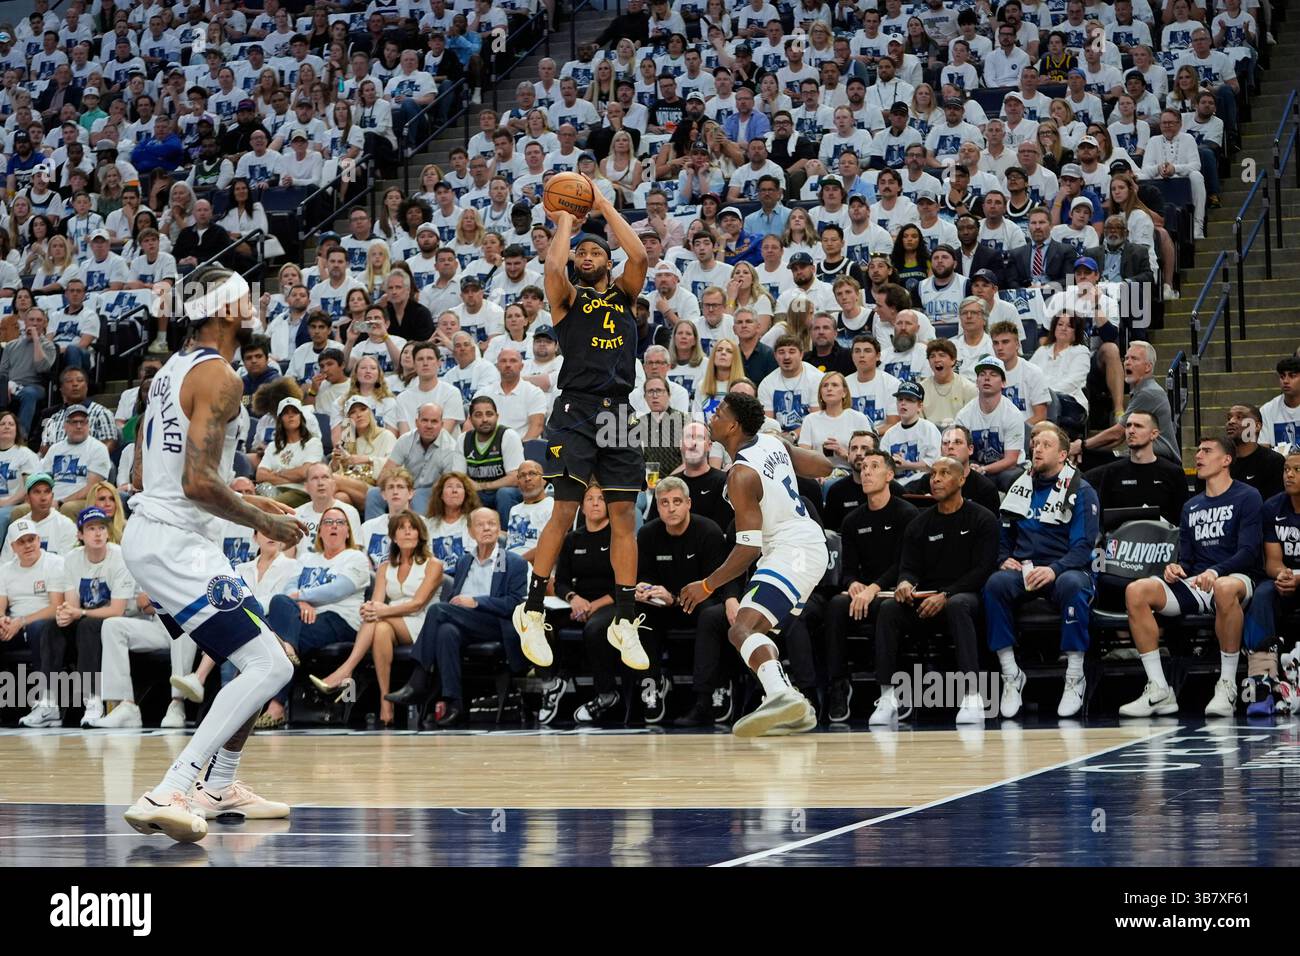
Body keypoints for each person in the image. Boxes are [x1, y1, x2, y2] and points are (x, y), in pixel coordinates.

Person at [119, 265, 307, 842]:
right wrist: (260, 523)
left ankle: (221, 783)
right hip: (175, 544)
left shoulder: (170, 371)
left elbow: (156, 469)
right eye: (245, 297)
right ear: (224, 309)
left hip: (166, 534)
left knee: (268, 656)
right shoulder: (222, 377)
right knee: (270, 664)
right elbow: (199, 484)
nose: (254, 305)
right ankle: (173, 788)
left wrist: (251, 497)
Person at [513, 178, 650, 676]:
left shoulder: (626, 294)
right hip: (574, 409)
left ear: (607, 261)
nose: (588, 255)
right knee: (565, 510)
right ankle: (531, 611)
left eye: (596, 251)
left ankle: (626, 617)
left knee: (624, 517)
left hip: (619, 410)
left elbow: (639, 258)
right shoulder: (566, 298)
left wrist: (602, 204)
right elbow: (552, 265)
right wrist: (565, 218)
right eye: (582, 252)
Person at [679, 392, 833, 736]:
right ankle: (793, 707)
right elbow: (822, 466)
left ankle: (782, 696)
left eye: (718, 412)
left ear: (732, 425)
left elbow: (747, 549)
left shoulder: (740, 475)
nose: (712, 417)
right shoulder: (769, 441)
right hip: (800, 544)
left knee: (741, 629)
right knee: (750, 633)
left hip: (792, 548)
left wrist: (706, 586)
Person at [1120, 434, 1264, 719]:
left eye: (1207, 451)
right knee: (1136, 590)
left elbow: (1249, 551)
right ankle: (1159, 689)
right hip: (1197, 582)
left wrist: (1216, 571)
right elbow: (1186, 559)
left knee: (1223, 588)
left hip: (1236, 579)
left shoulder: (1247, 496)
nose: (1198, 455)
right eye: (1197, 449)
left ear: (1226, 460)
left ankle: (1226, 686)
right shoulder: (1191, 506)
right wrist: (1175, 568)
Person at [868, 455, 1000, 725]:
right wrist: (905, 582)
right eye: (933, 474)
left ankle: (972, 696)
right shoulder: (920, 523)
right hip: (926, 599)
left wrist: (947, 594)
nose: (936, 479)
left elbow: (983, 570)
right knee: (889, 608)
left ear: (961, 479)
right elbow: (909, 566)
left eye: (944, 473)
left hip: (966, 597)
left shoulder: (982, 519)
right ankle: (887, 697)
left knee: (957, 604)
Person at [983, 423, 1101, 719]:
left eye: (1045, 445)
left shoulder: (1080, 490)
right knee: (995, 585)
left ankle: (1075, 676)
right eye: (1034, 443)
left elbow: (1083, 546)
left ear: (1063, 455)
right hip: (1025, 568)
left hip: (1066, 567)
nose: (1036, 448)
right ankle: (1011, 674)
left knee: (1074, 585)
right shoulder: (1019, 484)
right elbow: (1004, 532)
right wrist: (1002, 559)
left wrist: (1054, 569)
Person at [386, 508, 529, 728]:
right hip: (465, 623)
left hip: (496, 624)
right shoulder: (464, 562)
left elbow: (515, 604)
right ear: (471, 532)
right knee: (446, 631)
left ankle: (419, 679)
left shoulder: (512, 561)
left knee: (437, 611)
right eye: (480, 525)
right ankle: (453, 702)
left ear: (499, 529)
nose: (487, 528)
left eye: (491, 524)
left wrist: (477, 601)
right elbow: (454, 599)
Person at [311, 510, 443, 726]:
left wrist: (379, 610)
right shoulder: (384, 567)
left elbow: (418, 604)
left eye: (412, 528)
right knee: (378, 627)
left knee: (378, 620)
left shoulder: (433, 565)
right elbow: (377, 601)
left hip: (423, 623)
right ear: (393, 536)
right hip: (391, 623)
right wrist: (368, 608)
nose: (408, 532)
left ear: (420, 534)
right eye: (402, 528)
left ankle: (346, 670)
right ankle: (385, 700)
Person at [817, 449, 918, 722]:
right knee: (836, 605)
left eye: (874, 467)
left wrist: (872, 588)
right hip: (866, 593)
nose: (867, 472)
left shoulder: (906, 513)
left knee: (888, 610)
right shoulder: (852, 521)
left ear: (889, 475)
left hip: (897, 591)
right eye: (863, 468)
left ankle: (890, 690)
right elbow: (848, 570)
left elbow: (904, 564)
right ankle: (839, 684)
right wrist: (853, 584)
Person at [3, 519, 67, 727]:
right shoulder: (4, 570)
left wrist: (20, 622)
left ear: (39, 540)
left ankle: (48, 705)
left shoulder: (54, 563)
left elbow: (55, 607)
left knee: (40, 628)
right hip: (15, 627)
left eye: (32, 539)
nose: (28, 545)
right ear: (13, 547)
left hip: (47, 626)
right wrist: (2, 621)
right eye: (22, 542)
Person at [1242, 451, 1300, 681]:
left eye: (1297, 470)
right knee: (1264, 592)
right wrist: (1283, 574)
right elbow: (1272, 561)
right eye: (1286, 469)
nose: (1289, 475)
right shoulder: (1273, 507)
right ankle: (1262, 675)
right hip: (1286, 578)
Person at [1084, 411, 1189, 525]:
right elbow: (1103, 519)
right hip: (1121, 539)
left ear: (1154, 434)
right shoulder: (1112, 472)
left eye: (1138, 426)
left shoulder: (1173, 472)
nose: (1131, 431)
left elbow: (1183, 519)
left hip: (1164, 539)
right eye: (1128, 425)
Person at [954, 356, 1026, 492]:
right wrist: (971, 467)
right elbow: (958, 452)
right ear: (976, 382)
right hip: (975, 465)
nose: (987, 378)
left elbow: (1011, 459)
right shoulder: (964, 415)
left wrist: (984, 469)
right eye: (982, 375)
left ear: (1003, 383)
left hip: (1008, 468)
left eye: (993, 375)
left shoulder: (1013, 414)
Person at [1226, 404, 1285, 502]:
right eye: (1229, 418)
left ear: (1257, 426)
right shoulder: (1219, 461)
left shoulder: (1273, 461)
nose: (1231, 421)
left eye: (1240, 417)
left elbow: (1275, 506)